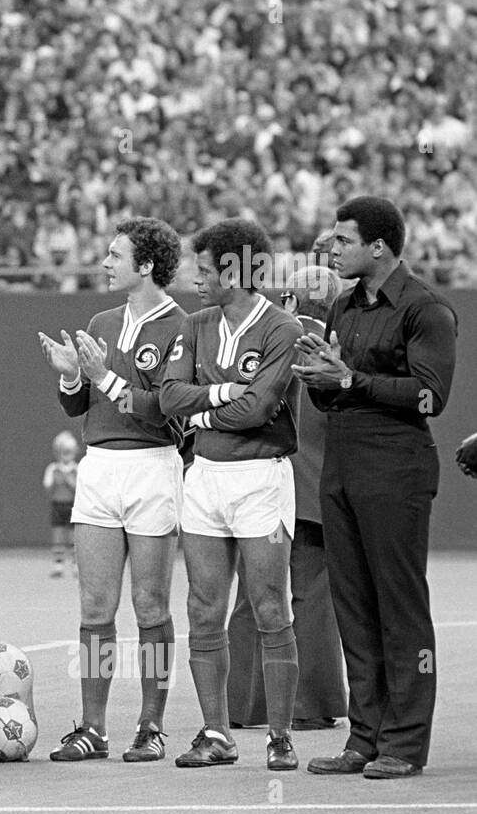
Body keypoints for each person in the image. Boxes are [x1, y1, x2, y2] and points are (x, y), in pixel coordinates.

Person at [295, 196, 458, 779]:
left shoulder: (426, 308)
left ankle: (405, 744)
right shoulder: (342, 306)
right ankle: (363, 739)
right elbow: (333, 392)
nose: (331, 249)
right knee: (354, 608)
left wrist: (350, 378)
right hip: (340, 469)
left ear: (378, 246)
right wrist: (320, 374)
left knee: (400, 608)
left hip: (396, 471)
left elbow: (429, 396)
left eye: (342, 240)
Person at [38, 216, 186, 763]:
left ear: (146, 266)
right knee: (96, 604)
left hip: (152, 466)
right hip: (98, 467)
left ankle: (151, 724)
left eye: (114, 255)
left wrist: (102, 376)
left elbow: (164, 413)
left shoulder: (182, 328)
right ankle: (93, 727)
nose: (104, 263)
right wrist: (71, 376)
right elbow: (81, 407)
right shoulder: (101, 320)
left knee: (150, 604)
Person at [160, 218, 303, 771]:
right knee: (202, 608)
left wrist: (200, 410)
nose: (194, 278)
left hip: (260, 478)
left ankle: (281, 735)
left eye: (203, 269)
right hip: (203, 478)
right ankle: (216, 732)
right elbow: (170, 397)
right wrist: (216, 397)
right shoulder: (196, 324)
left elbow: (259, 409)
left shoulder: (282, 329)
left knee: (270, 606)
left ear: (234, 271)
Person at [227, 265, 348, 731]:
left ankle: (242, 706)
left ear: (292, 303)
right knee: (313, 597)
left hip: (265, 487)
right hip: (320, 492)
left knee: (252, 596)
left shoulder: (274, 342)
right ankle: (312, 706)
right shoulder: (340, 352)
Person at [41, 431, 78, 579]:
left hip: (73, 506)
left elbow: (79, 488)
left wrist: (69, 480)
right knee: (58, 536)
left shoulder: (77, 469)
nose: (66, 455)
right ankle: (58, 566)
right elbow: (48, 486)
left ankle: (76, 567)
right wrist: (57, 479)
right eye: (63, 452)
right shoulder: (52, 469)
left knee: (73, 537)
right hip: (58, 506)